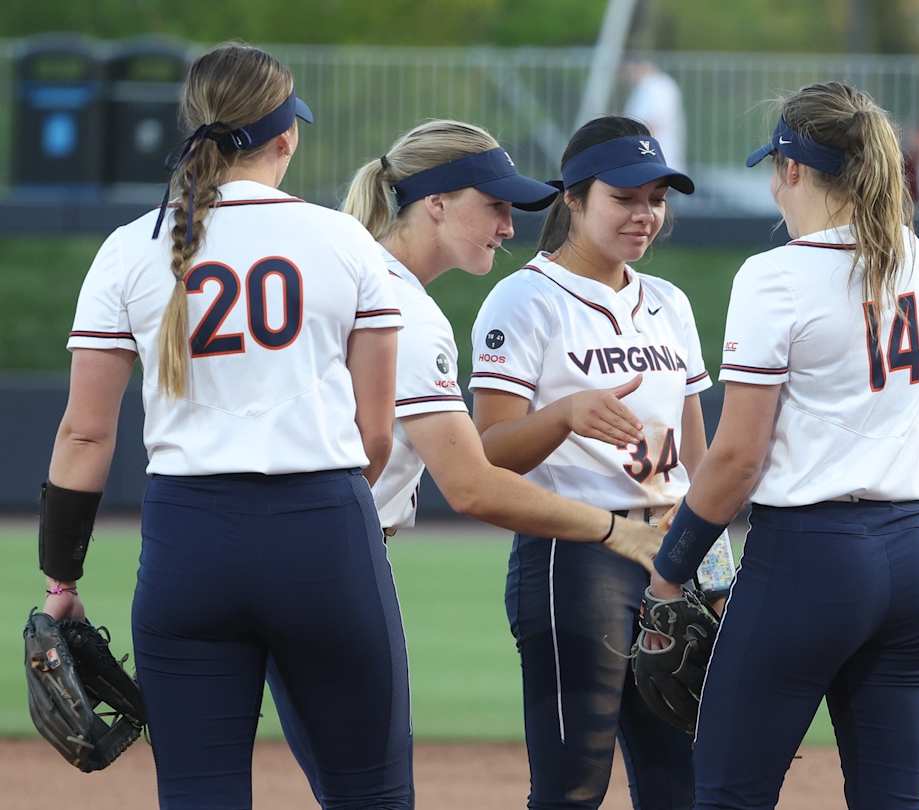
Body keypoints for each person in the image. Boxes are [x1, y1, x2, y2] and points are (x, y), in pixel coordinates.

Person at [39, 42, 415, 807]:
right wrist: (329, 529)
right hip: (322, 529)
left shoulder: (130, 249)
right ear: (287, 136)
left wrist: (61, 579)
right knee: (369, 793)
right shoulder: (344, 242)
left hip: (188, 542)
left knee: (198, 794)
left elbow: (84, 435)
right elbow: (376, 436)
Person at [271, 118, 677, 805]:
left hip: (246, 541)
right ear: (435, 201)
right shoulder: (400, 305)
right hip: (329, 563)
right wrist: (615, 530)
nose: (509, 226)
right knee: (371, 794)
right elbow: (473, 483)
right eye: (493, 205)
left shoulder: (335, 274)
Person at [647, 81, 919, 810]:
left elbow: (737, 458)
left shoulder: (775, 274)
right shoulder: (909, 253)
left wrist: (668, 572)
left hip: (811, 560)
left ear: (791, 169)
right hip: (913, 560)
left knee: (726, 794)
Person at [468, 115, 733, 810]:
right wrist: (563, 415)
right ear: (574, 199)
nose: (644, 215)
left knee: (683, 780)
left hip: (670, 551)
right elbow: (487, 451)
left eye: (656, 198)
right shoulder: (524, 300)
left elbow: (696, 460)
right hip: (573, 554)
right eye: (624, 197)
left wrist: (714, 569)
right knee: (573, 785)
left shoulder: (669, 304)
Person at [623, 59, 686, 172]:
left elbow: (654, 122)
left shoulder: (656, 87)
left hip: (654, 157)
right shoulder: (648, 86)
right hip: (651, 156)